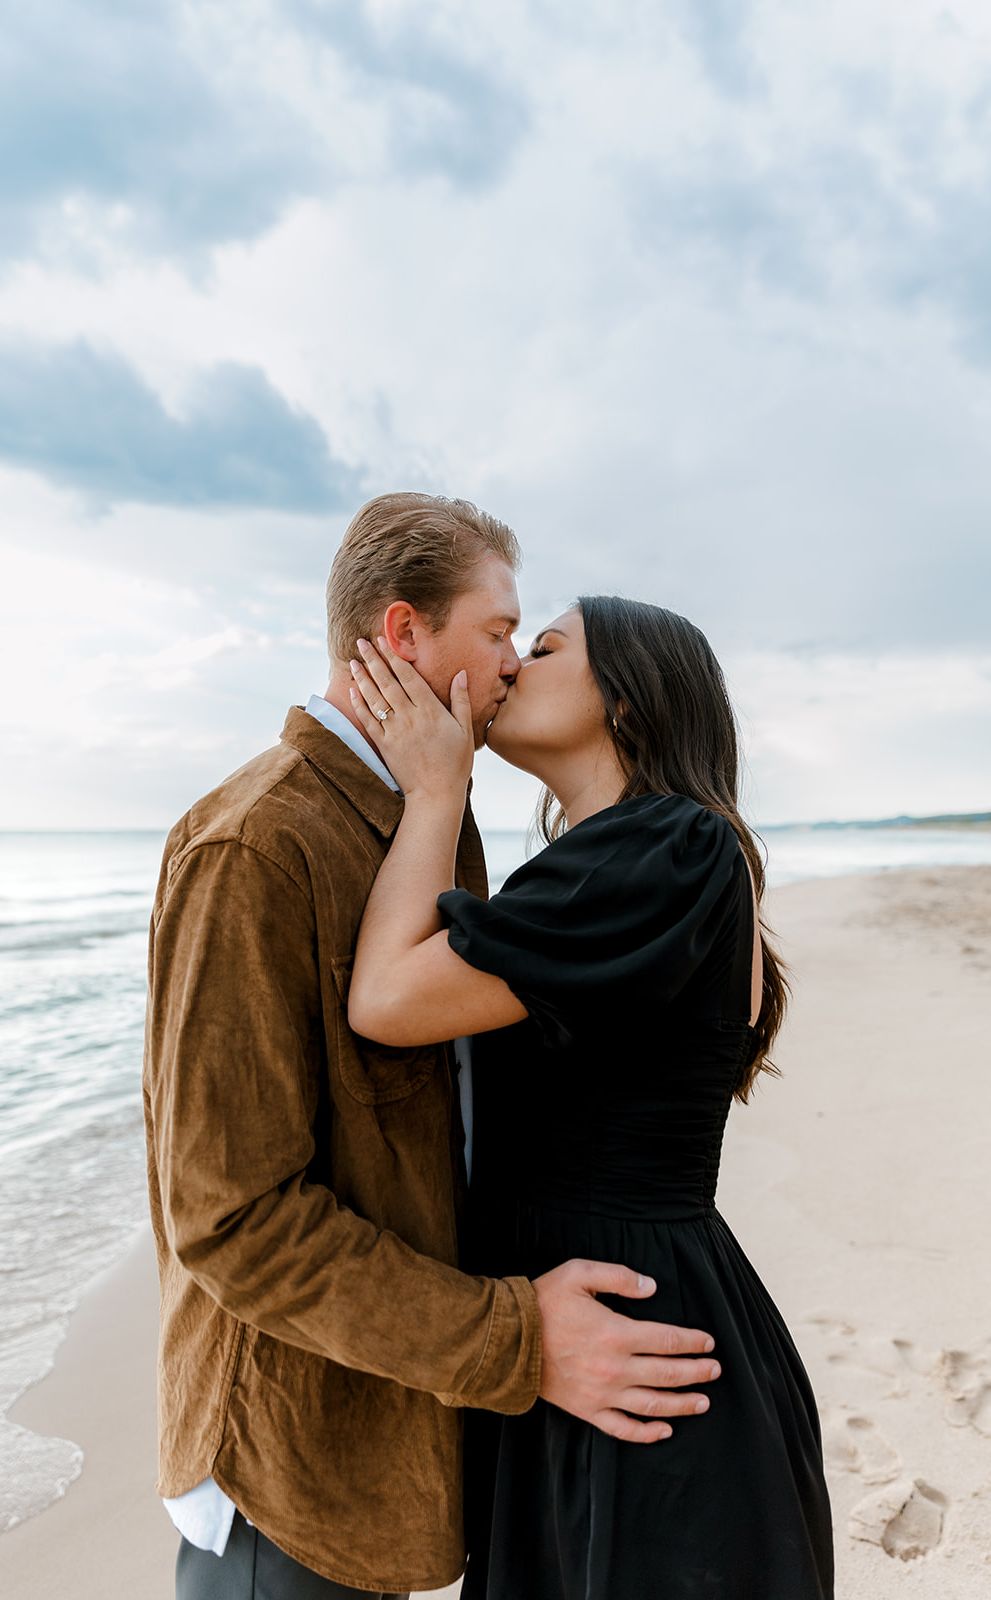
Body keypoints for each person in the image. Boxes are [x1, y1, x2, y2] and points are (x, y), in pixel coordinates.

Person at [143, 498, 723, 1600]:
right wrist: (511, 1339)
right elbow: (230, 1219)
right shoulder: (257, 843)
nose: (510, 663)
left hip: (405, 1419)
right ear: (405, 635)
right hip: (295, 1456)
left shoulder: (428, 809)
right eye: (500, 630)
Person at [347, 596, 835, 1600]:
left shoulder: (668, 851)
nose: (512, 666)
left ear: (629, 694)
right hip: (602, 1333)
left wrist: (435, 790)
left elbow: (387, 998)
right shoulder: (636, 861)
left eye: (545, 646)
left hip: (627, 1354)